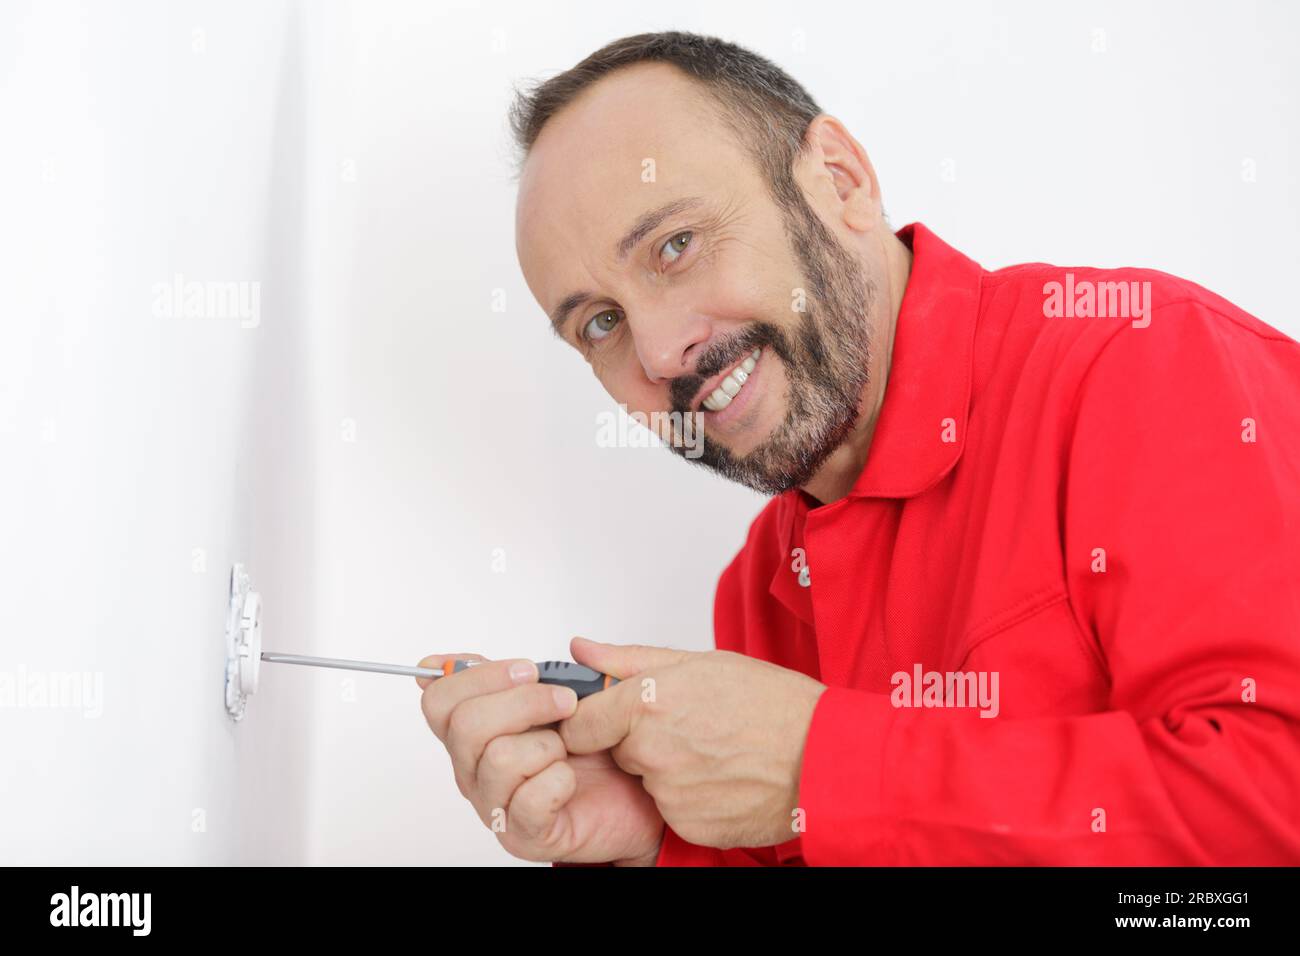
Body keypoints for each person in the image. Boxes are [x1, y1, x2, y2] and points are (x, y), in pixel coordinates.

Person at [416, 31, 1300, 865]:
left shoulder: (1142, 364)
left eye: (675, 246)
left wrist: (823, 767)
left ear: (840, 181)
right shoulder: (762, 588)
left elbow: (1270, 812)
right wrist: (653, 841)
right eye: (600, 323)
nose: (656, 354)